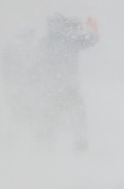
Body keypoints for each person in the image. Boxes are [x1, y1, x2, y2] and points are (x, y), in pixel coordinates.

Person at [36, 14, 99, 151]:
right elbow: (92, 39)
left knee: (51, 117)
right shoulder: (69, 40)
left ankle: (46, 145)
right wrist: (93, 26)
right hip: (69, 87)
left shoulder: (44, 42)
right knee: (77, 117)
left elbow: (38, 64)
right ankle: (80, 144)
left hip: (51, 88)